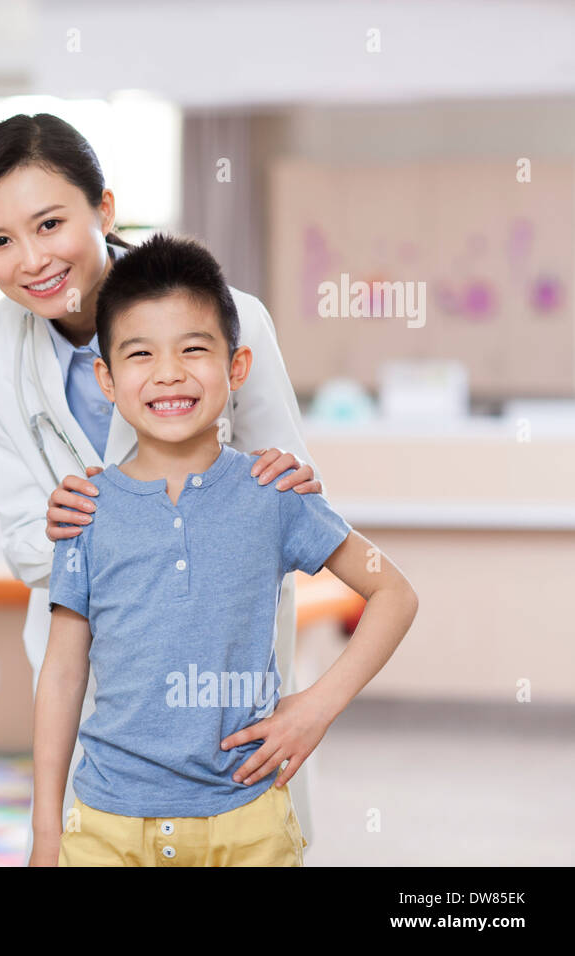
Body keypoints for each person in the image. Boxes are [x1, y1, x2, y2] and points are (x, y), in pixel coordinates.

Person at [0, 113, 326, 855]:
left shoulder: (228, 315)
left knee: (249, 835)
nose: (30, 260)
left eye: (50, 223)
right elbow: (27, 545)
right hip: (96, 662)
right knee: (99, 829)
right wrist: (65, 525)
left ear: (105, 210)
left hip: (223, 668)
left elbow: (289, 497)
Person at [30, 234, 418, 866]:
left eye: (193, 349)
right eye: (140, 354)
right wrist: (48, 828)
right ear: (106, 377)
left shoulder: (274, 491)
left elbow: (394, 592)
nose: (169, 373)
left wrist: (317, 706)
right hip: (105, 824)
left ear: (237, 367)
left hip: (248, 820)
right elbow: (64, 672)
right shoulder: (85, 510)